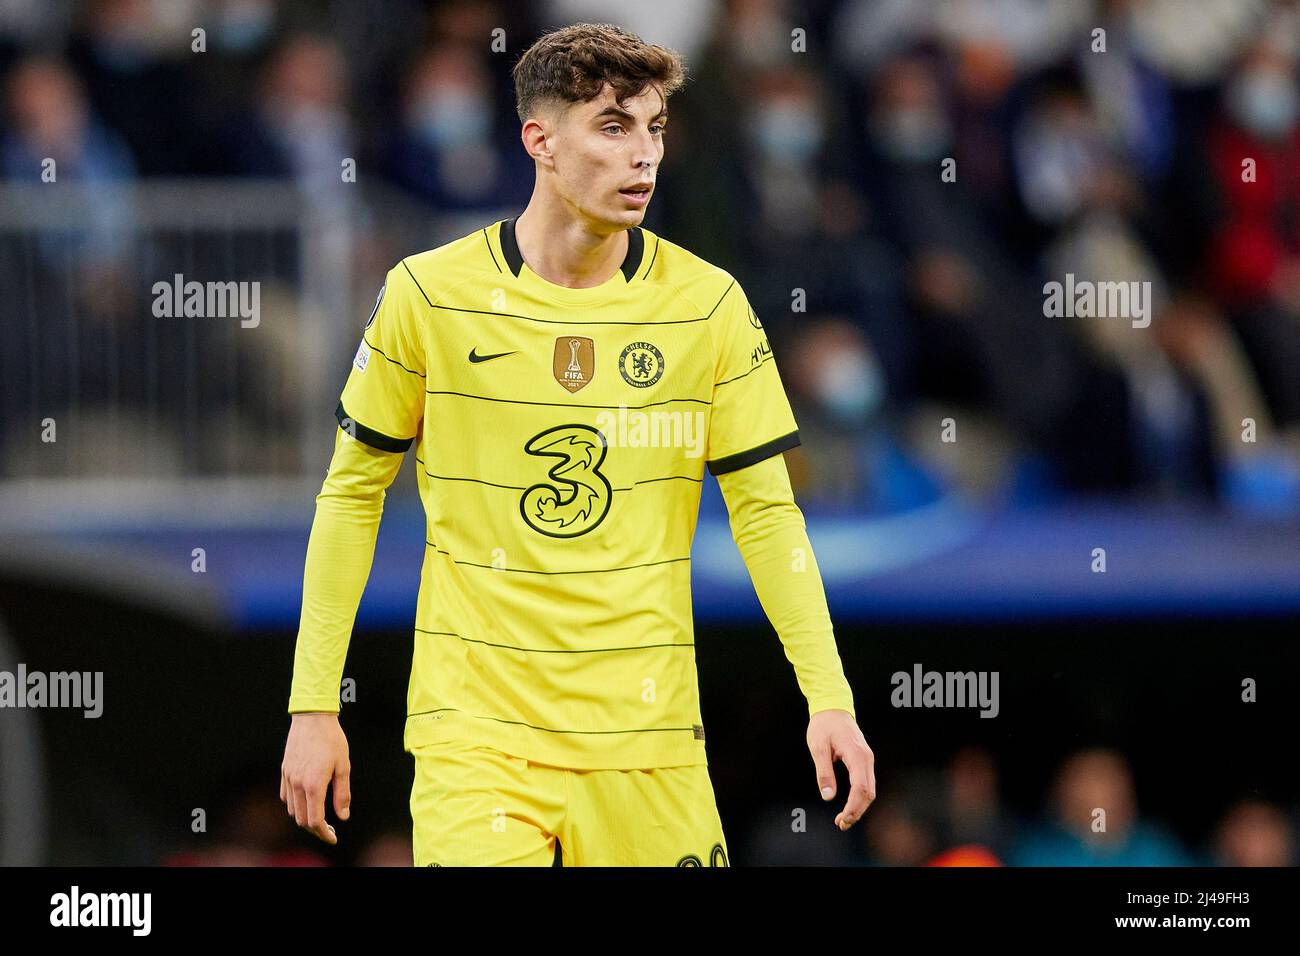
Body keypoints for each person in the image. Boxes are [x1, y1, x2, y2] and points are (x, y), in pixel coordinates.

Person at [279, 21, 874, 867]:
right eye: (613, 126)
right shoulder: (428, 296)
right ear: (540, 141)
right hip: (477, 740)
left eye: (655, 128)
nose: (644, 156)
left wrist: (831, 699)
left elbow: (769, 517)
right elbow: (350, 496)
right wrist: (313, 706)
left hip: (649, 741)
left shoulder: (708, 309)